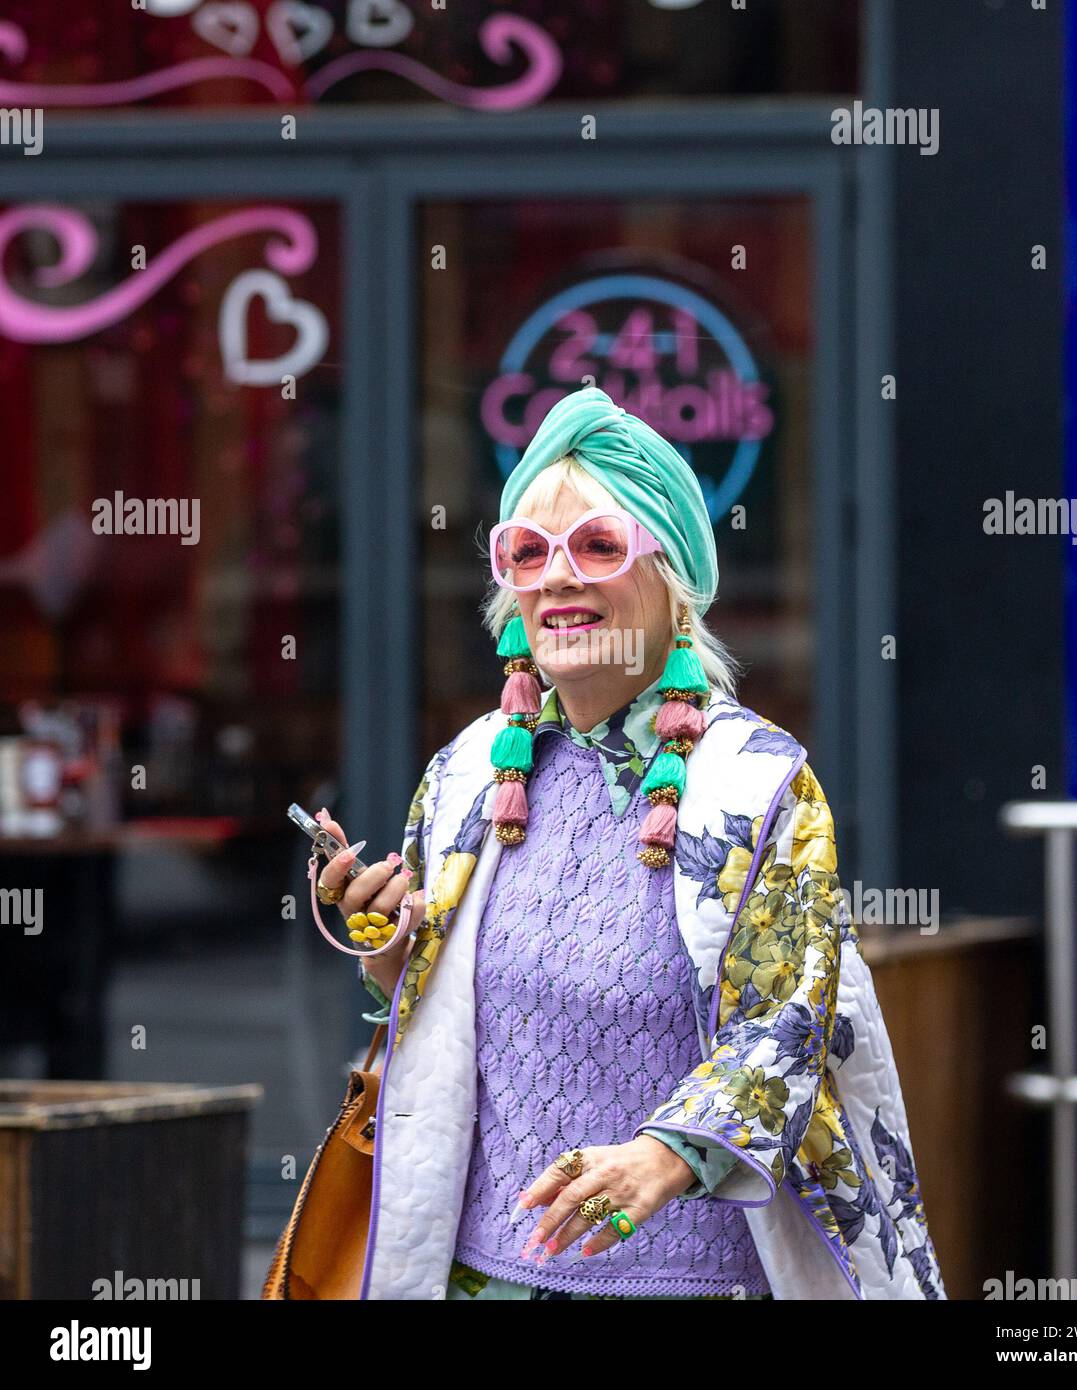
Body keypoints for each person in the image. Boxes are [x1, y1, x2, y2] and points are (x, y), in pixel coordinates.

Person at [313, 386, 947, 1301]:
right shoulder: (465, 775)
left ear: (674, 578)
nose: (558, 578)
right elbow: (434, 1015)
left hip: (696, 1284)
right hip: (480, 1279)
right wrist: (393, 949)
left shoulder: (757, 780)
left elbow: (786, 1027)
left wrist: (665, 1155)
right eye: (528, 553)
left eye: (598, 545)